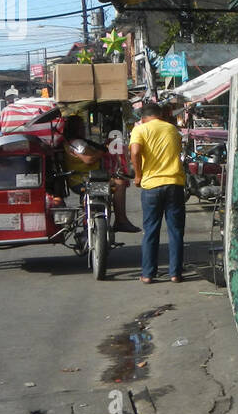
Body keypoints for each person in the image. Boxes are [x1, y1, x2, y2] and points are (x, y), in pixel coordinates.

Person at [129, 101, 186, 283]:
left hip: (151, 185)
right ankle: (175, 273)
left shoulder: (140, 130)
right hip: (174, 183)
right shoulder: (172, 130)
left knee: (151, 230)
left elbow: (135, 152)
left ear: (144, 118)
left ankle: (147, 274)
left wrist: (138, 175)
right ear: (160, 115)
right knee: (176, 231)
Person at [62, 114, 138, 233]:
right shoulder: (76, 143)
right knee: (120, 183)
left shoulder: (75, 142)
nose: (83, 129)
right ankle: (121, 220)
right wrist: (105, 149)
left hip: (87, 178)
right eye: (81, 127)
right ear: (75, 129)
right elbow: (89, 159)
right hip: (83, 180)